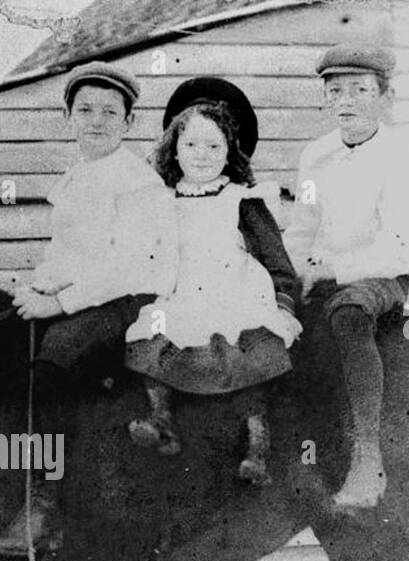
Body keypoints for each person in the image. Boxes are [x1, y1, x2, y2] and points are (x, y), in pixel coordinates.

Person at [0, 62, 168, 558]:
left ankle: (47, 506)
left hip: (132, 300)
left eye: (111, 112)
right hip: (87, 294)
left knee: (54, 362)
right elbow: (66, 253)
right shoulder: (75, 178)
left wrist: (58, 303)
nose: (97, 120)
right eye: (85, 109)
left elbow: (126, 266)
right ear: (67, 115)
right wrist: (36, 288)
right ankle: (6, 477)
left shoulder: (137, 183)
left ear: (129, 123)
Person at [121, 79, 302, 485]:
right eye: (191, 146)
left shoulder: (242, 201)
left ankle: (257, 446)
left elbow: (279, 264)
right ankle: (161, 418)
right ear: (174, 149)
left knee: (246, 352)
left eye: (214, 147)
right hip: (183, 297)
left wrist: (284, 309)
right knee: (150, 333)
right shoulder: (162, 203)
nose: (201, 156)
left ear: (230, 152)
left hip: (237, 298)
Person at [283, 42, 409, 510]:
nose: (346, 101)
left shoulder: (401, 155)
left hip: (382, 274)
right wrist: (287, 275)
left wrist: (336, 269)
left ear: (385, 97)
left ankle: (369, 457)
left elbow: (403, 243)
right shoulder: (316, 155)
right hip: (325, 273)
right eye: (336, 90)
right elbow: (303, 226)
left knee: (347, 314)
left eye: (360, 90)